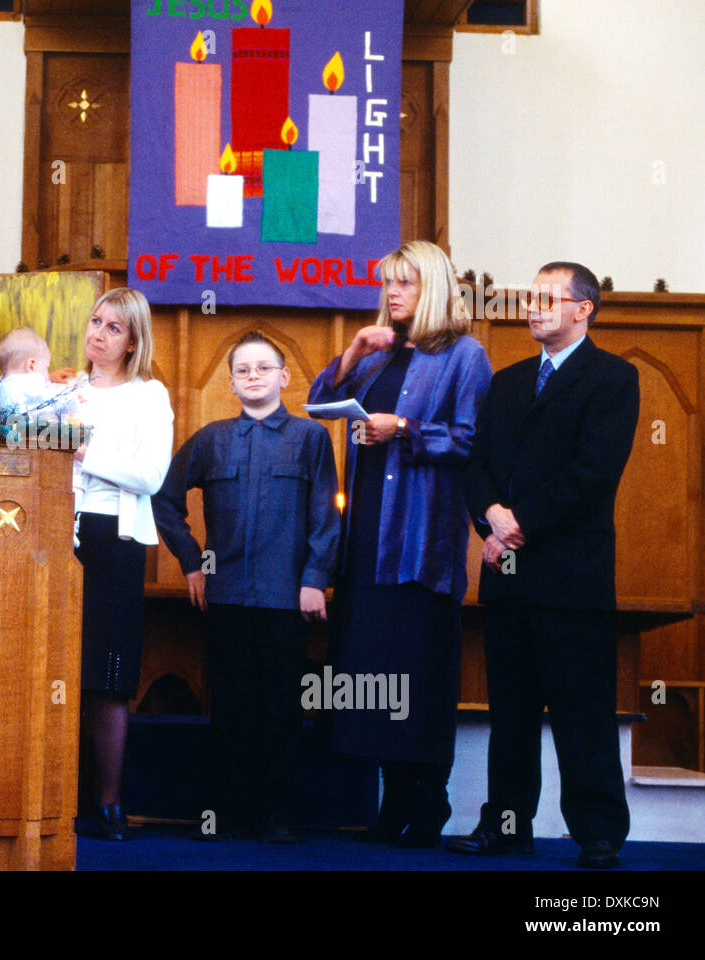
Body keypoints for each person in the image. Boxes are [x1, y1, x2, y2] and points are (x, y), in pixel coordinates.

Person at [447, 262, 639, 869]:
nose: (530, 307)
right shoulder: (506, 382)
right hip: (507, 577)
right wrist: (491, 520)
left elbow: (592, 474)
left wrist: (513, 524)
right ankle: (506, 826)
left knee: (583, 711)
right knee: (512, 714)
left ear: (583, 308)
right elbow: (475, 467)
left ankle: (598, 834)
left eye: (546, 298)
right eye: (528, 297)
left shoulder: (614, 378)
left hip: (571, 578)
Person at [307, 239, 492, 847]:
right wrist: (356, 347)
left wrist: (403, 428)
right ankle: (392, 805)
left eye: (405, 283)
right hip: (368, 537)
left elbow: (470, 443)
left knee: (419, 673)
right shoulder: (380, 354)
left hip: (420, 539)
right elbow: (317, 405)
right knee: (374, 674)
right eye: (387, 283)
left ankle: (429, 804)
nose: (392, 293)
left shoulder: (466, 355)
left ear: (433, 287)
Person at [152, 331, 338, 842]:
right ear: (231, 382)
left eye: (264, 368)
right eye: (243, 370)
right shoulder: (211, 439)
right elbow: (165, 500)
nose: (253, 376)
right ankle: (224, 813)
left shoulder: (310, 439)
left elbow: (326, 515)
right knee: (230, 706)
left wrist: (315, 580)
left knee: (280, 708)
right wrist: (193, 563)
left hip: (286, 598)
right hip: (226, 594)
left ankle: (275, 814)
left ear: (284, 377)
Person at [70, 287, 174, 841]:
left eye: (113, 327)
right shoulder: (63, 389)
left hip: (115, 539)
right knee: (53, 669)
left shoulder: (149, 396)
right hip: (55, 531)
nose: (98, 333)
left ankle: (108, 803)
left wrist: (86, 453)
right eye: (95, 321)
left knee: (108, 673)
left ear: (133, 341)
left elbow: (151, 477)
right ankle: (52, 793)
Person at [0, 327, 78, 415]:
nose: (46, 373)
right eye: (46, 368)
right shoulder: (31, 386)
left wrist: (49, 377)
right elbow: (52, 401)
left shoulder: (4, 384)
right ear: (31, 366)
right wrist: (71, 396)